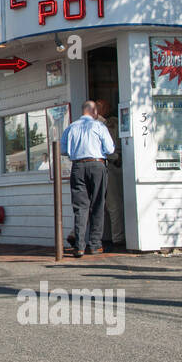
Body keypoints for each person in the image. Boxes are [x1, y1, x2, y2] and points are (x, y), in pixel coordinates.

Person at [60, 100, 115, 257]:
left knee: (80, 207)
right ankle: (95, 245)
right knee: (97, 204)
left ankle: (79, 246)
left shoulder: (71, 127)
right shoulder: (99, 126)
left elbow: (63, 150)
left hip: (78, 166)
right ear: (95, 112)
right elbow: (110, 149)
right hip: (97, 165)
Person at [94, 98, 125, 249]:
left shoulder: (82, 125)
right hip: (108, 164)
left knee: (91, 204)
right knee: (114, 204)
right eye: (104, 106)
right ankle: (118, 238)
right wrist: (116, 157)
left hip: (89, 167)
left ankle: (81, 236)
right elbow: (107, 147)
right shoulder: (101, 124)